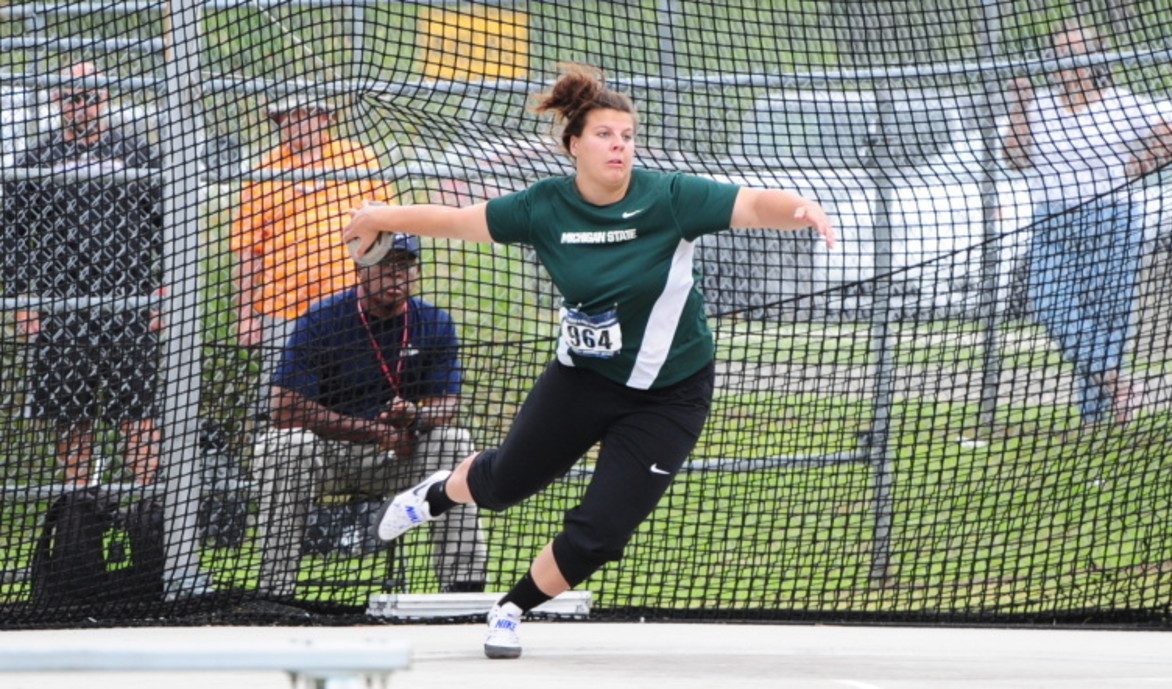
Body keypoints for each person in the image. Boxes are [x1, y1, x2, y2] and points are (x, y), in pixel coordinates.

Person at [342, 63, 835, 659]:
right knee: (502, 486)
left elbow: (753, 204)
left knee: (602, 532)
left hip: (671, 391)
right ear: (574, 144)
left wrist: (799, 208)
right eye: (605, 135)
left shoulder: (670, 197)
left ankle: (510, 609)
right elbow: (455, 221)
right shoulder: (544, 206)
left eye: (627, 136)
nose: (619, 146)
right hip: (581, 380)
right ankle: (436, 495)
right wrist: (378, 216)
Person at [253, 231, 487, 598]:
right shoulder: (322, 318)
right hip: (327, 455)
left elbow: (448, 404)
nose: (397, 277)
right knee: (285, 444)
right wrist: (370, 430)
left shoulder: (433, 321)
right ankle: (274, 591)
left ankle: (463, 590)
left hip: (400, 455)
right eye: (386, 267)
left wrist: (414, 418)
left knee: (454, 442)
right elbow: (283, 408)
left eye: (406, 267)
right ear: (360, 269)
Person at [1003, 19, 1172, 426]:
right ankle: (1115, 381)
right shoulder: (1040, 105)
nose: (1062, 62)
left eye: (1072, 54)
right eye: (1056, 53)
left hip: (1111, 219)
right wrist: (1019, 104)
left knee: (1108, 319)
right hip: (1051, 222)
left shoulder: (1124, 103)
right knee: (1048, 302)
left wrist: (1148, 157)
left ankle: (1097, 419)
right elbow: (1015, 159)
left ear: (1096, 59)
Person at [1, 61, 162, 486]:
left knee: (140, 415)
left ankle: (147, 508)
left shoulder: (140, 153)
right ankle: (80, 507)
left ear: (105, 98)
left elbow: (169, 227)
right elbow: (13, 236)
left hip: (133, 302)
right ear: (57, 101)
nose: (83, 106)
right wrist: (22, 302)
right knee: (70, 417)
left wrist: (167, 289)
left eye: (90, 96)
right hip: (61, 308)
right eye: (73, 97)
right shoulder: (35, 159)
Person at [231, 96, 396, 419]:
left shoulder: (357, 158)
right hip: (285, 307)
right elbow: (248, 249)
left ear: (326, 118)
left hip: (354, 305)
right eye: (287, 117)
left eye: (305, 114)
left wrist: (385, 294)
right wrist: (246, 315)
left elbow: (388, 225)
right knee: (283, 403)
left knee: (357, 394)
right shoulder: (264, 170)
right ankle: (274, 462)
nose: (295, 123)